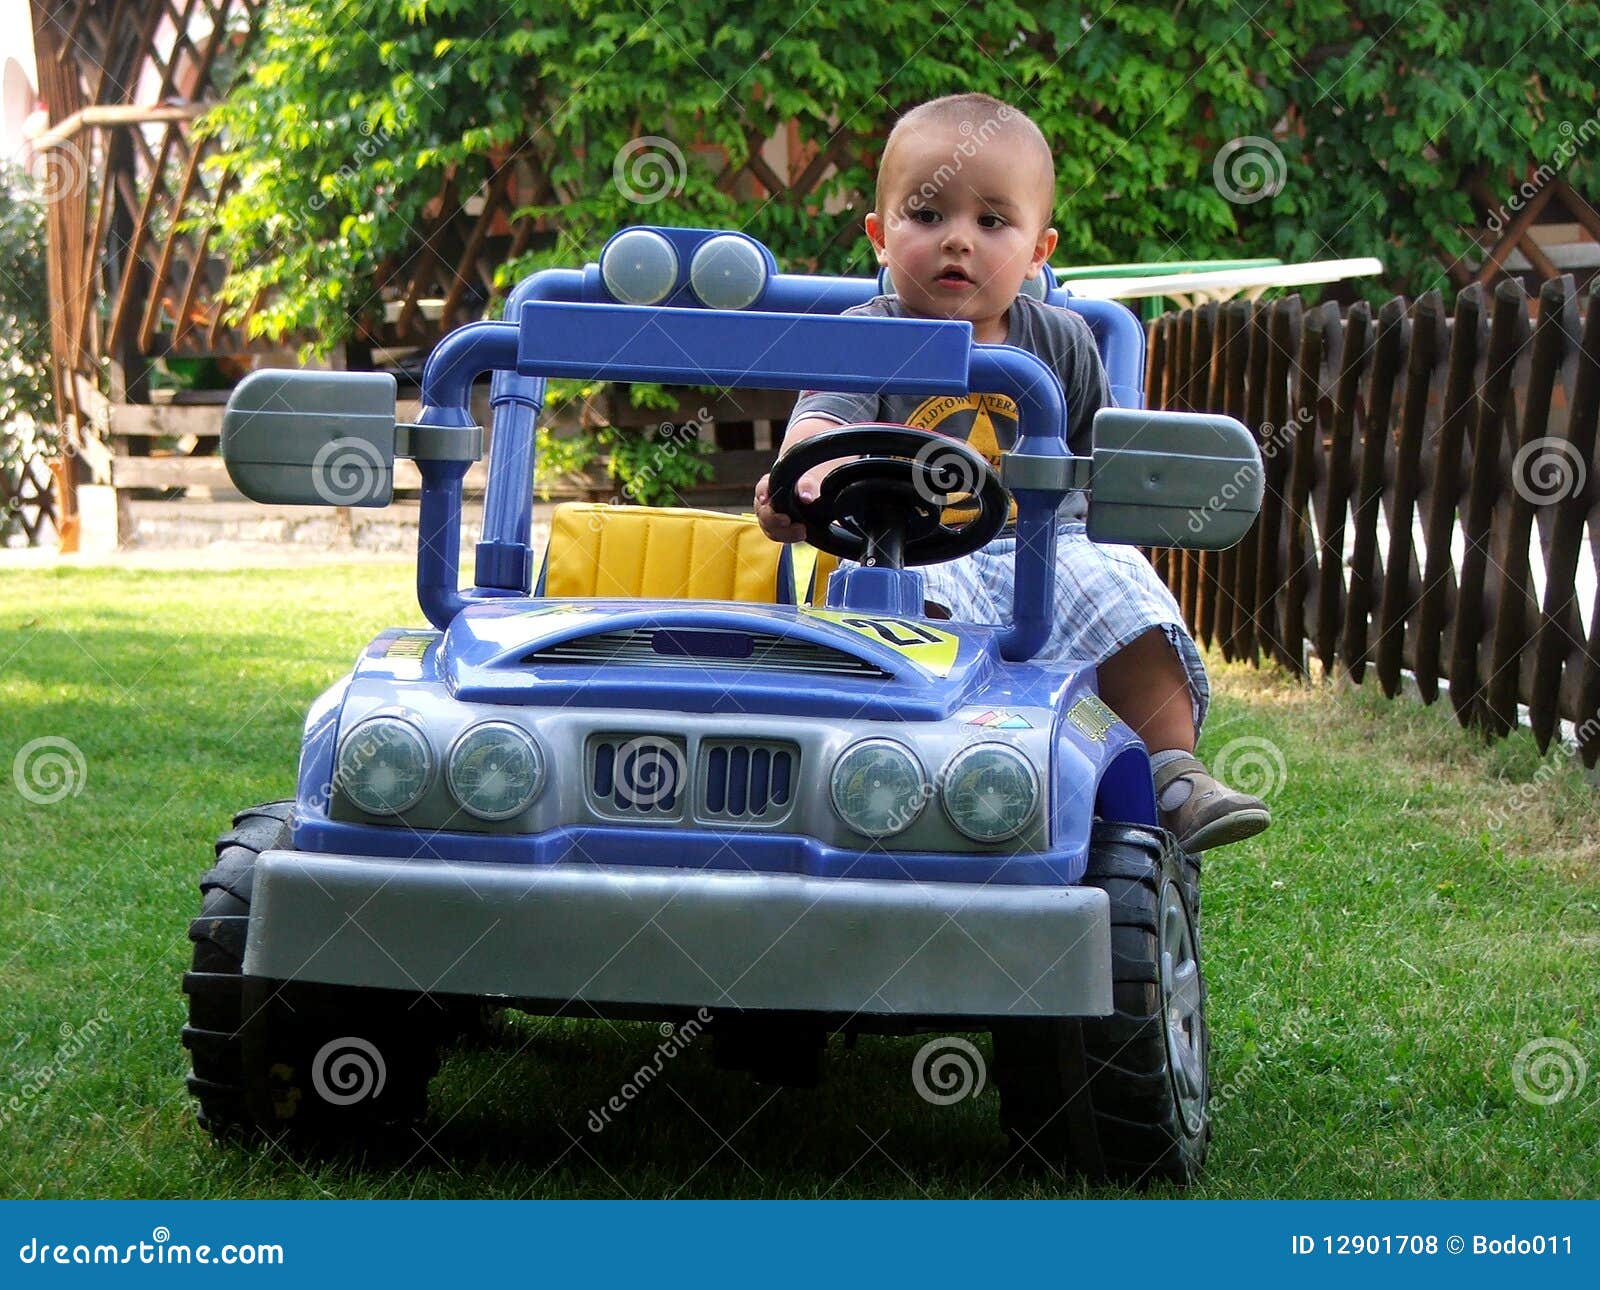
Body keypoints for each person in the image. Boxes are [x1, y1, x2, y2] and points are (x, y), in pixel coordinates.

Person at [754, 92, 1269, 852]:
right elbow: (822, 418)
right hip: (909, 550)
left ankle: (1172, 771)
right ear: (879, 237)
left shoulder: (1062, 341)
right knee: (894, 613)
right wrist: (801, 474)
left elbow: (1107, 466)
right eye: (926, 217)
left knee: (1121, 585)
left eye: (992, 222)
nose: (957, 241)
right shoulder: (866, 335)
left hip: (1049, 549)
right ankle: (900, 779)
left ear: (1038, 250)